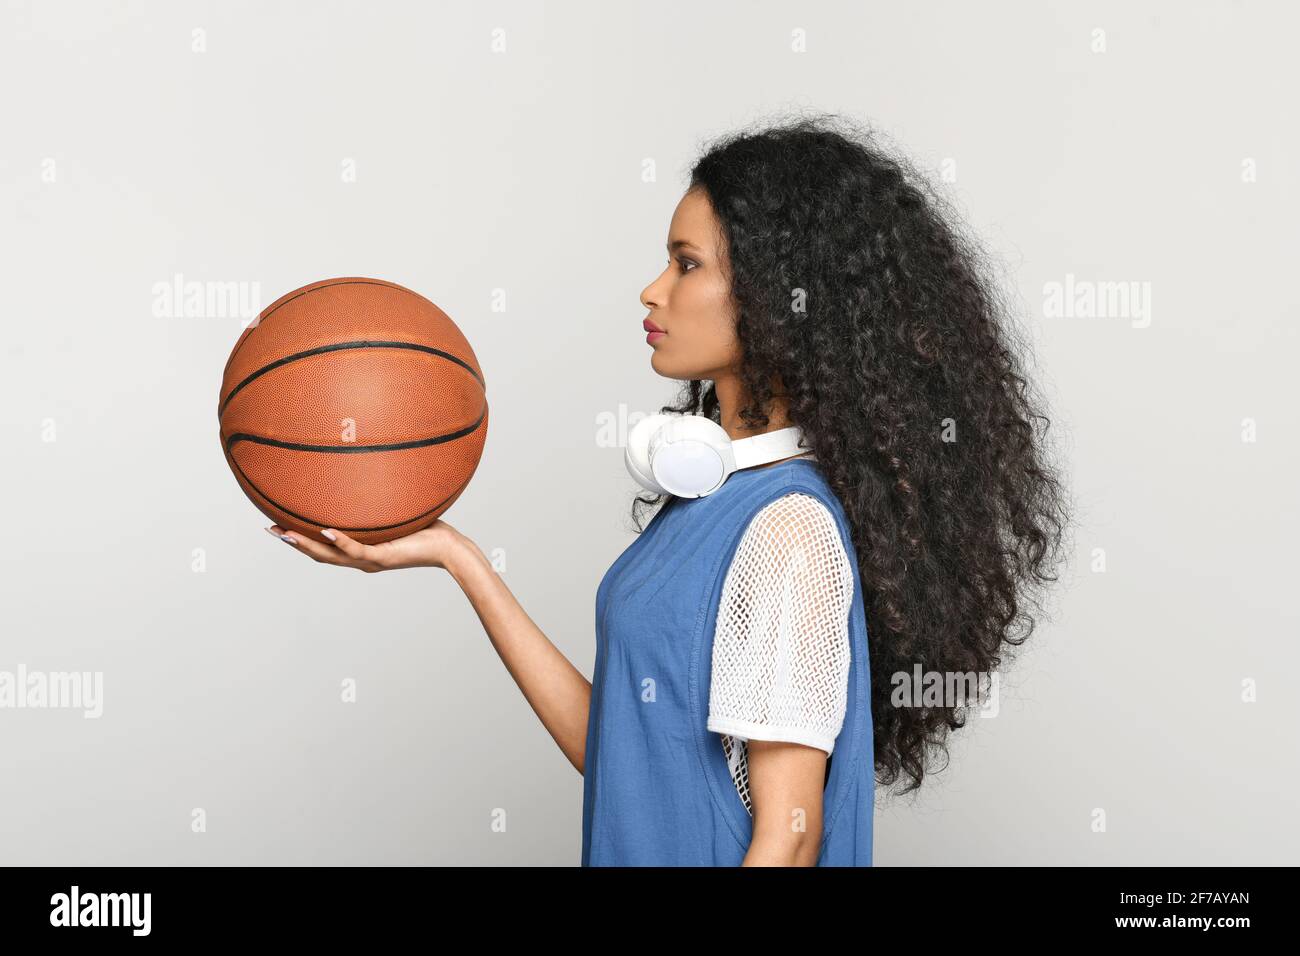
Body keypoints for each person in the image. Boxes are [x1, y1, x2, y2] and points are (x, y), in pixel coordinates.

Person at [270, 114, 1069, 866]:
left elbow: (789, 840)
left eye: (687, 264)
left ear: (778, 298)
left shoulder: (788, 529)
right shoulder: (714, 500)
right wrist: (458, 557)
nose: (652, 291)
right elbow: (619, 753)